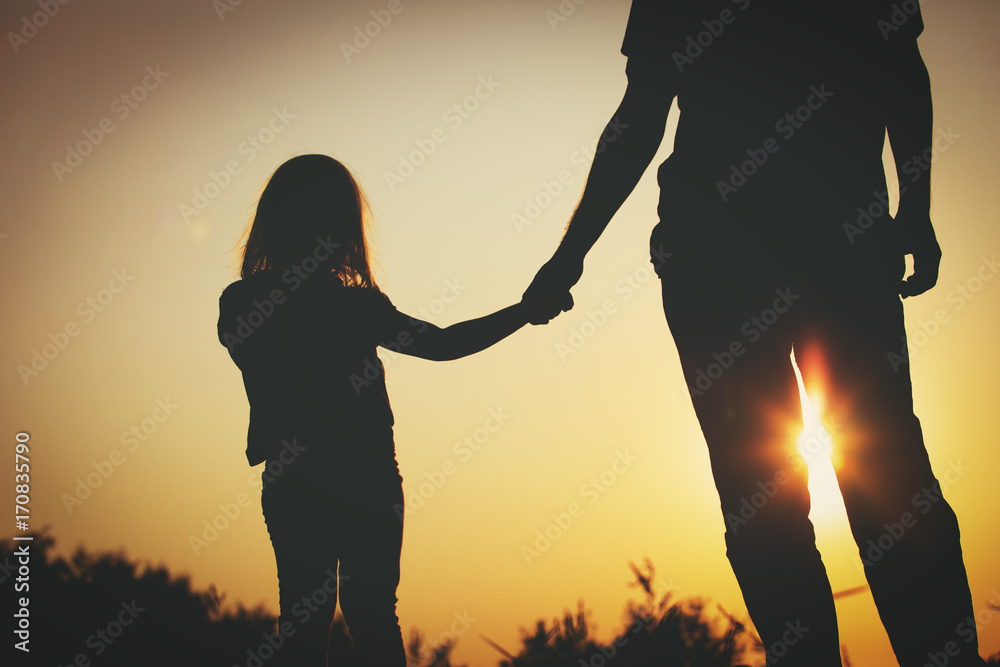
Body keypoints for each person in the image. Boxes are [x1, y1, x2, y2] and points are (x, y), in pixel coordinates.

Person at [525, 2, 986, 665]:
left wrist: (916, 205)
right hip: (780, 249)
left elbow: (644, 109)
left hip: (756, 250)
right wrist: (914, 207)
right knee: (805, 485)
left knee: (832, 480)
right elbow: (900, 69)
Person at [218, 154, 570, 666]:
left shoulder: (255, 301)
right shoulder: (337, 306)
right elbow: (443, 344)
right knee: (364, 615)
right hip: (359, 479)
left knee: (312, 620)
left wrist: (522, 312)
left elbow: (444, 344)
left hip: (314, 478)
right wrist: (523, 312)